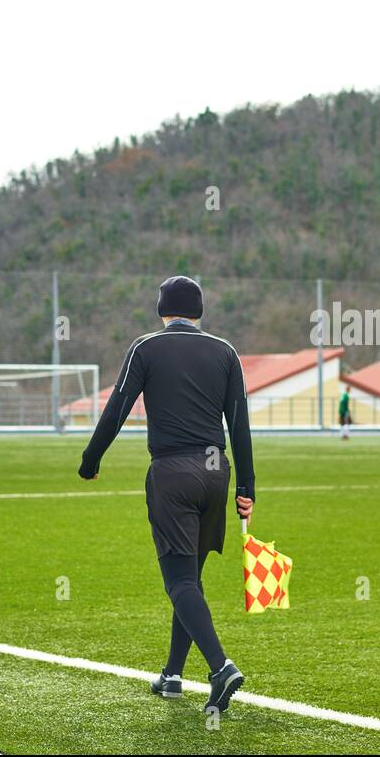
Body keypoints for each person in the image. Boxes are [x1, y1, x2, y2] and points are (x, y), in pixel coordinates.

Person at [77, 275, 254, 715]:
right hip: (217, 472)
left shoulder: (146, 348)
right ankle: (172, 675)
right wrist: (247, 488)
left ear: (162, 311)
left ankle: (220, 667)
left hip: (173, 471)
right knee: (190, 580)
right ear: (200, 312)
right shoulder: (226, 352)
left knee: (178, 581)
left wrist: (91, 459)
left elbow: (117, 406)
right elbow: (240, 423)